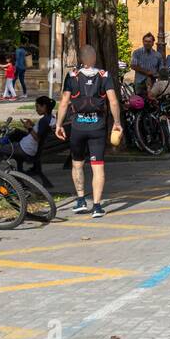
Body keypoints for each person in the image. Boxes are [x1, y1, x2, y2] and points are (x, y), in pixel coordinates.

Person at [54, 44, 123, 218]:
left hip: (78, 127)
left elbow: (64, 102)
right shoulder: (104, 75)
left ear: (81, 59)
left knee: (77, 164)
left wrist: (59, 124)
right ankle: (97, 206)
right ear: (94, 58)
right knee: (97, 167)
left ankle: (80, 200)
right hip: (97, 126)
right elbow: (113, 102)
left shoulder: (72, 76)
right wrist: (116, 122)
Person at [12, 95, 57, 188]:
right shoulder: (51, 118)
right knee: (16, 133)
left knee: (9, 143)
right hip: (43, 147)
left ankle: (17, 175)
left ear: (44, 106)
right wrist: (33, 125)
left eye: (37, 107)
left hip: (33, 150)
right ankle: (25, 172)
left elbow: (37, 138)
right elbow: (41, 131)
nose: (36, 109)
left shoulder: (44, 120)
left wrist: (28, 128)